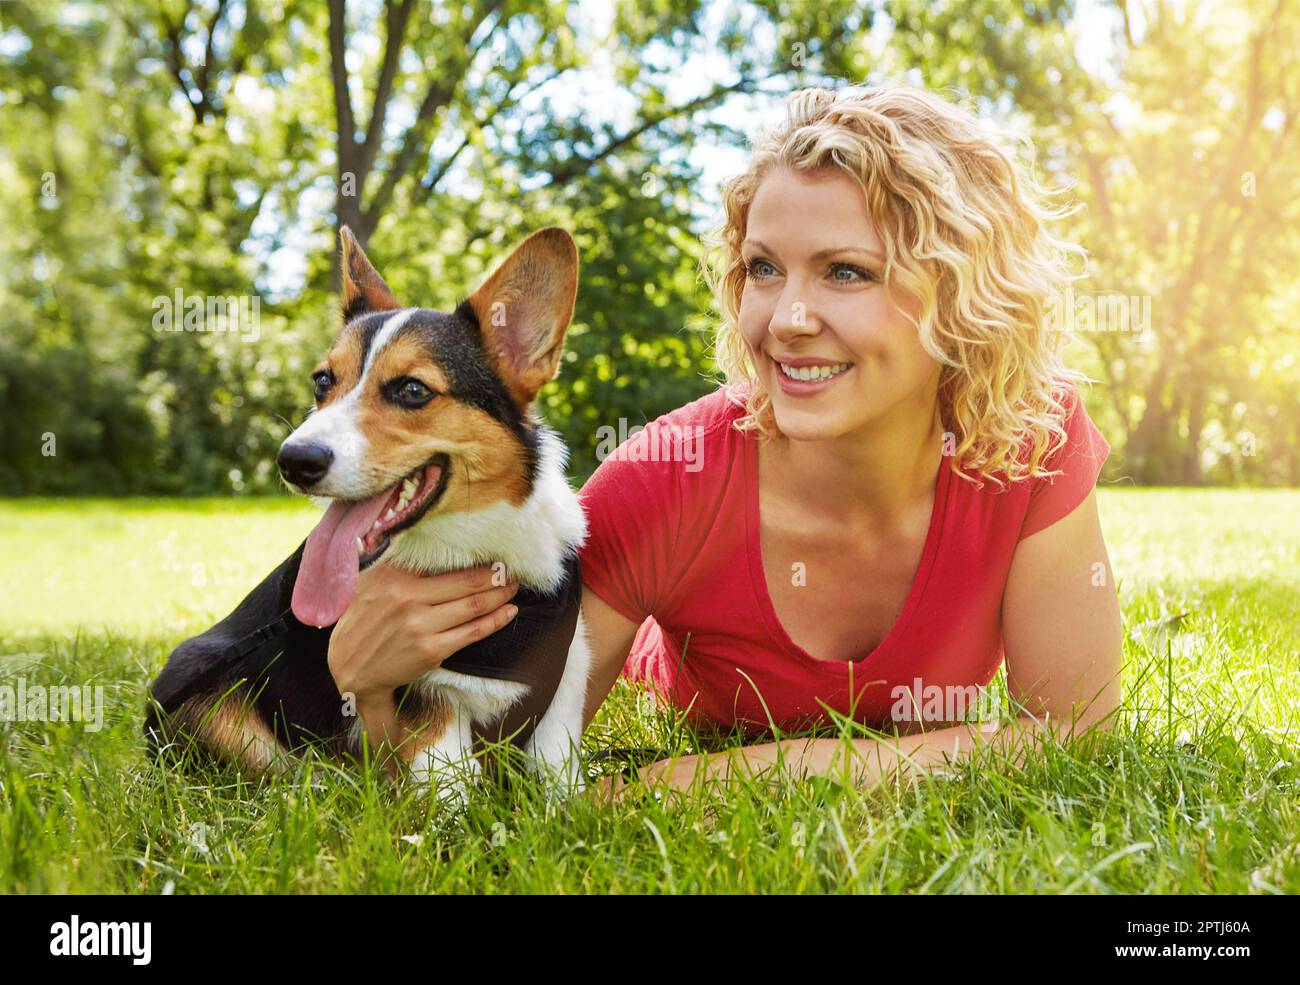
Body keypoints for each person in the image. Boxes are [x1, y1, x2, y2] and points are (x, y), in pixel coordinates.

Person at [329, 82, 1124, 802]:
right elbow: (499, 772)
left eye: (846, 272)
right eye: (765, 269)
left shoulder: (1032, 439)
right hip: (661, 674)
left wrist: (714, 775)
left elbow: (1077, 735)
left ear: (962, 291)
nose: (786, 320)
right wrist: (365, 689)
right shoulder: (666, 477)